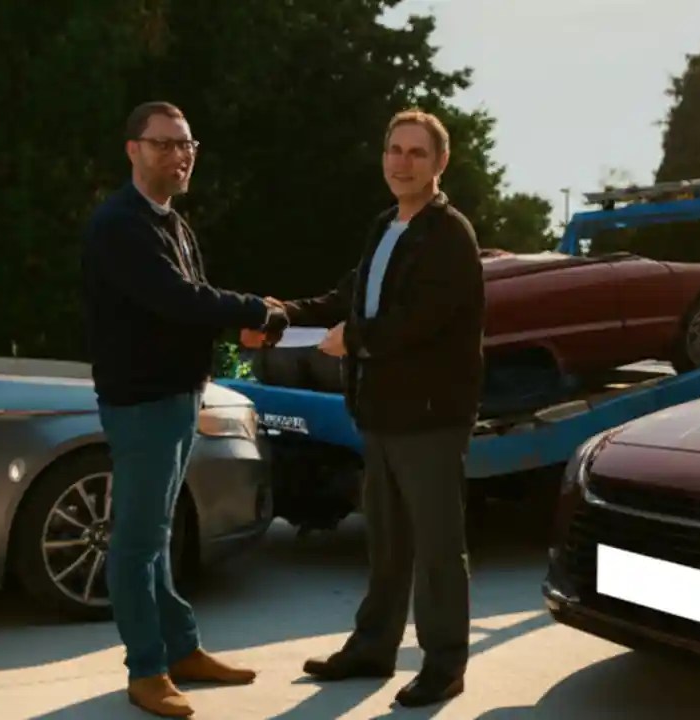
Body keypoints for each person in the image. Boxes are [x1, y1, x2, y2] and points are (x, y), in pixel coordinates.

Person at [81, 101, 288, 718]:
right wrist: (254, 309)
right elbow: (176, 298)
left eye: (187, 144)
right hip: (141, 403)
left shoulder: (172, 222)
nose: (180, 155)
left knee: (157, 536)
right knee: (137, 542)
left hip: (175, 397)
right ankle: (145, 670)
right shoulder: (121, 225)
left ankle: (181, 648)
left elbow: (186, 312)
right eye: (164, 143)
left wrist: (241, 333)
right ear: (133, 150)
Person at [272, 108, 485, 708]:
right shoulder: (384, 226)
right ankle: (372, 648)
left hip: (431, 415)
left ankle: (444, 665)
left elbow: (419, 321)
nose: (402, 162)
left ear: (441, 163)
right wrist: (283, 312)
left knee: (438, 547)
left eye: (417, 153)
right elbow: (349, 295)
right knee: (388, 543)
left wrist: (355, 339)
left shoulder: (449, 235)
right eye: (395, 150)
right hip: (382, 413)